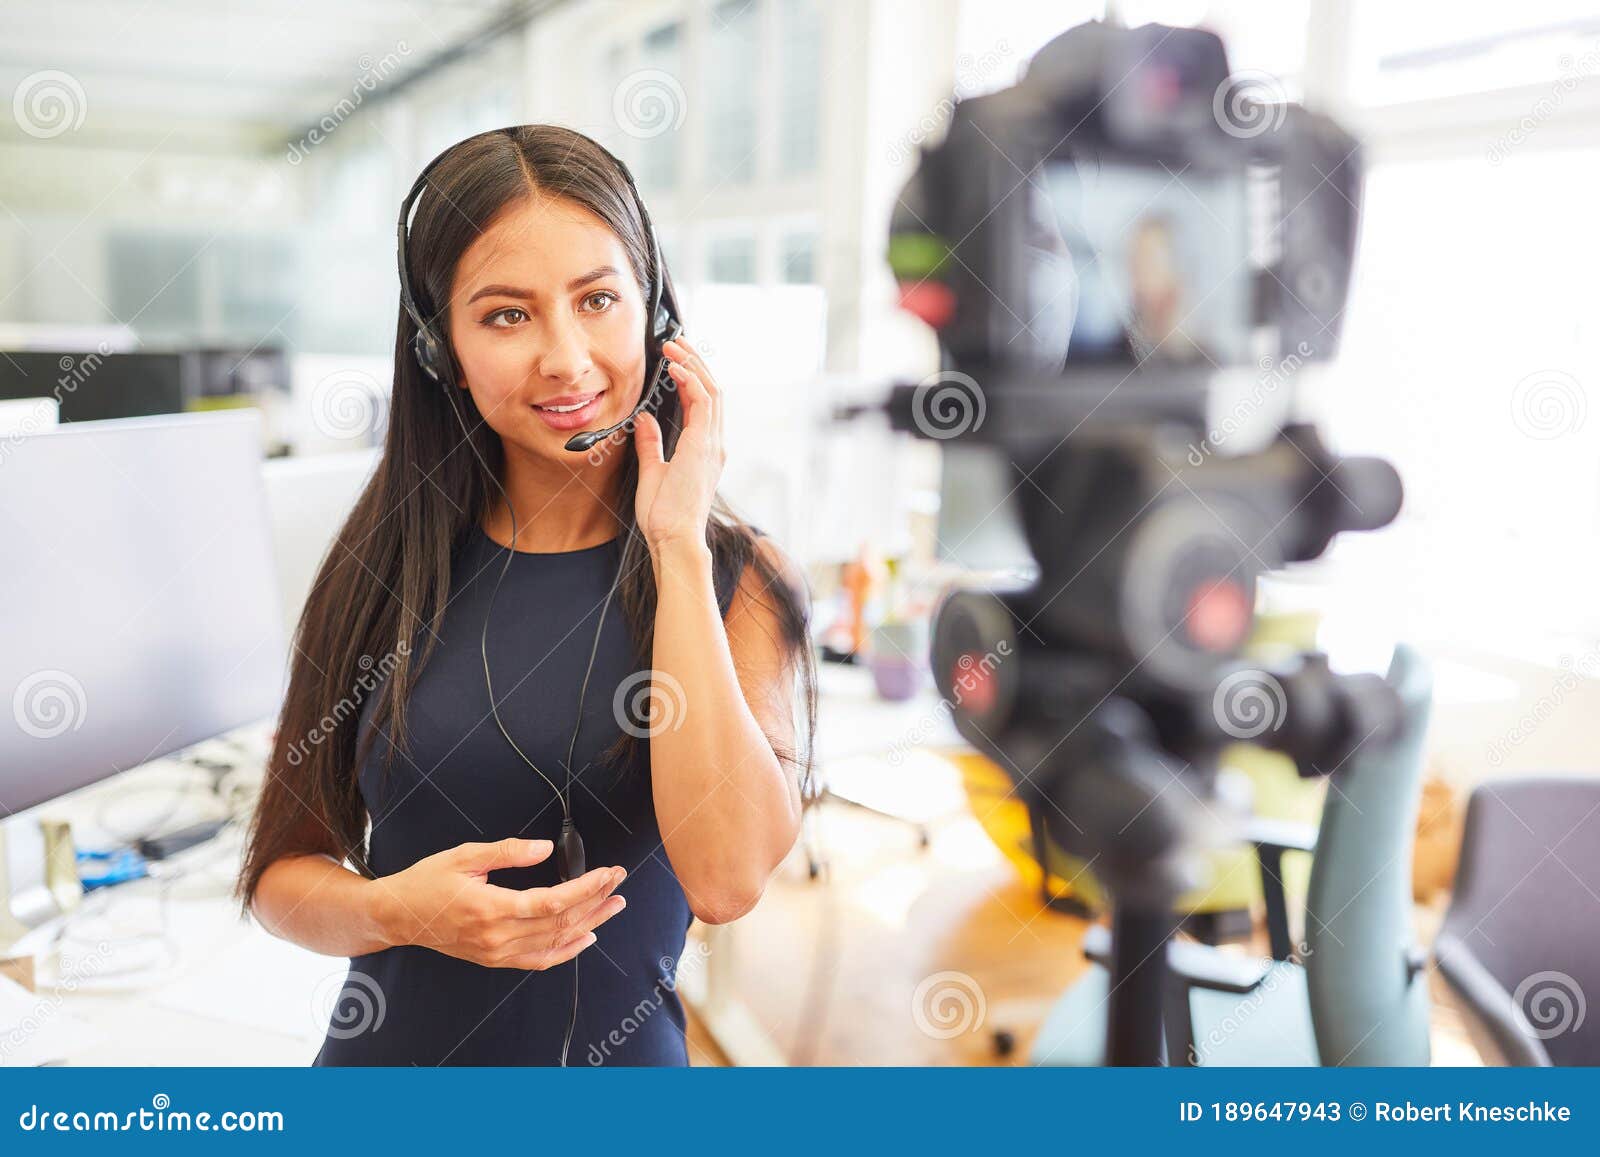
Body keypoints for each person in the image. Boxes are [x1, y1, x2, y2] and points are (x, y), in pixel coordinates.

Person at [236, 125, 817, 1066]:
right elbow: (278, 876)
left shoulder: (737, 579)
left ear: (656, 313)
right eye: (507, 315)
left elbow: (725, 877)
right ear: (442, 351)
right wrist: (393, 911)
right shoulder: (385, 561)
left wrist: (674, 541)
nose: (566, 358)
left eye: (598, 299)